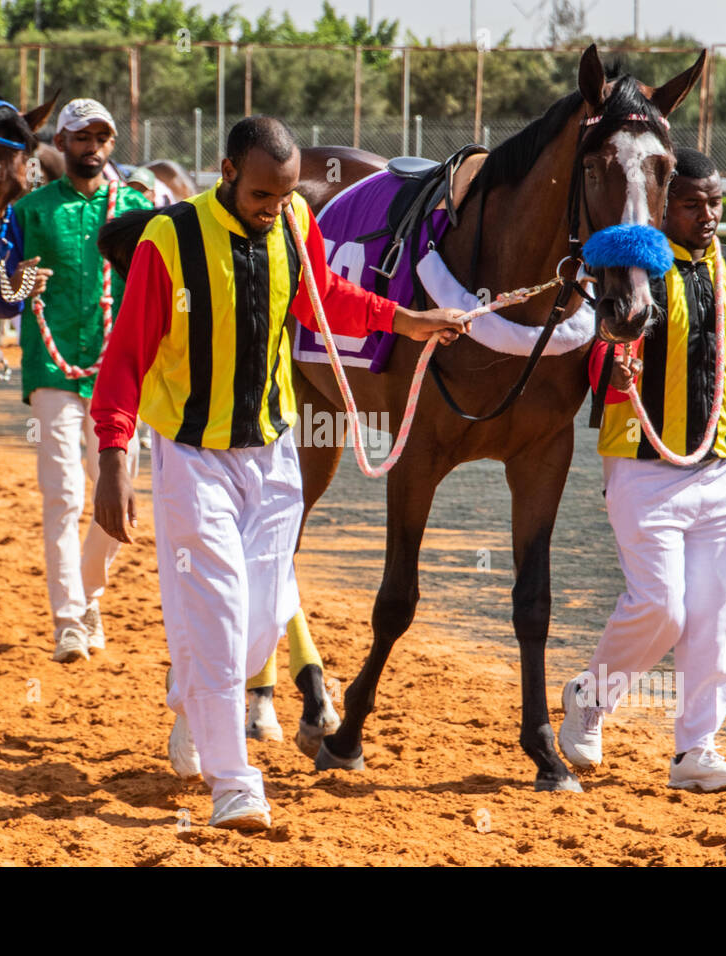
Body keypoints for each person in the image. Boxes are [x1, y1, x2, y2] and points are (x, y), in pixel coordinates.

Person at [89, 115, 470, 830]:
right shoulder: (169, 242)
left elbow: (321, 294)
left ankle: (196, 702)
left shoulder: (295, 219)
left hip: (272, 455)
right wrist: (115, 459)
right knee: (221, 615)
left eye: (286, 193)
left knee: (260, 625)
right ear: (227, 173)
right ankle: (234, 783)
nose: (275, 207)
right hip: (192, 457)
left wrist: (407, 321)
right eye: (263, 193)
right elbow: (125, 359)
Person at [557, 147, 726, 792]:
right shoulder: (629, 268)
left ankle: (695, 752)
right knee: (661, 607)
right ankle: (588, 699)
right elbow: (601, 358)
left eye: (715, 202)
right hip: (642, 467)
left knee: (712, 614)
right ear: (663, 205)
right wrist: (611, 366)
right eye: (691, 203)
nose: (707, 215)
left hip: (723, 475)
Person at [0, 98, 152, 663]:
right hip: (52, 372)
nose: (94, 148)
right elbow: (0, 300)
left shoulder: (136, 208)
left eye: (103, 138)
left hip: (122, 374)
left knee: (119, 500)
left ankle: (87, 598)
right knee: (64, 495)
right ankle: (68, 622)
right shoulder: (28, 212)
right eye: (82, 138)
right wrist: (21, 282)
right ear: (60, 142)